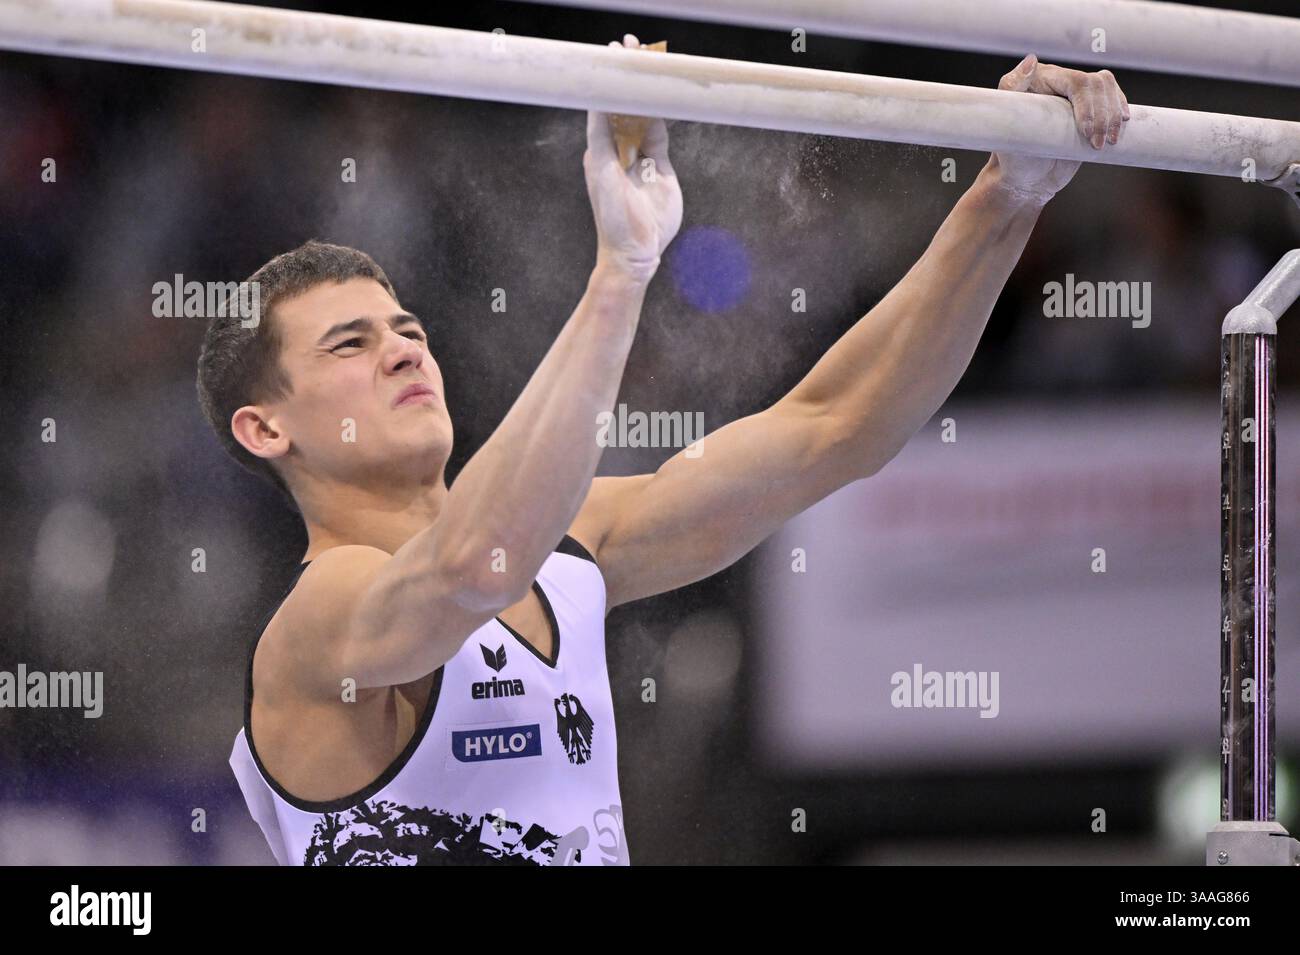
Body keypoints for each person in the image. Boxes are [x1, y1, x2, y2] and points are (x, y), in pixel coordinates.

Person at [197, 36, 1129, 865]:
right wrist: (622, 270)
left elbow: (837, 427)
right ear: (264, 427)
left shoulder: (573, 547)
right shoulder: (315, 628)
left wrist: (1010, 189)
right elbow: (474, 564)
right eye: (349, 344)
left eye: (407, 328)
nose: (403, 347)